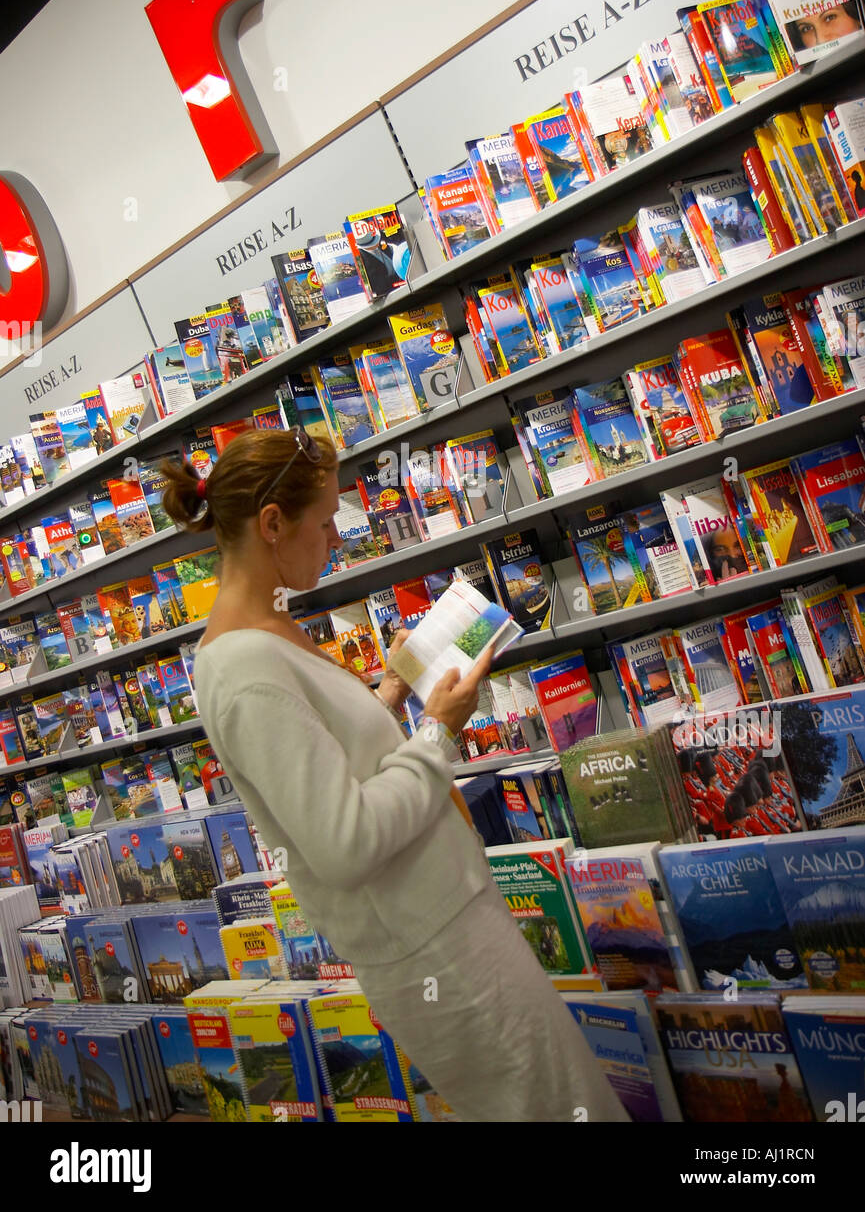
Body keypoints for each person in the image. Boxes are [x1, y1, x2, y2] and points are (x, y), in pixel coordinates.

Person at [162, 428, 628, 1124]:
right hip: (430, 948)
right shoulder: (243, 669)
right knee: (558, 1106)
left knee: (561, 1095)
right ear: (270, 524)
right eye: (322, 523)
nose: (334, 537)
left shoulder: (265, 630)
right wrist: (437, 732)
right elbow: (343, 841)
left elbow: (322, 755)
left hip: (439, 920)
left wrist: (387, 694)